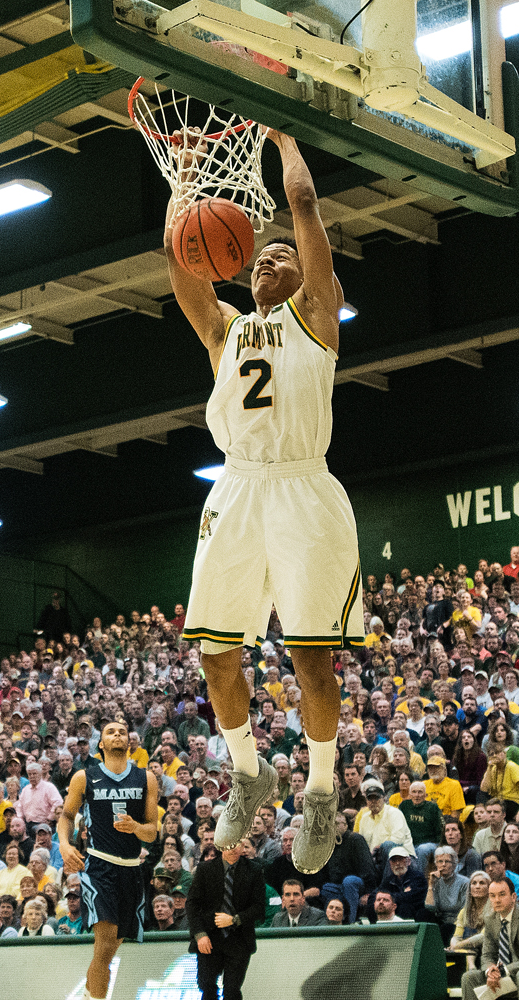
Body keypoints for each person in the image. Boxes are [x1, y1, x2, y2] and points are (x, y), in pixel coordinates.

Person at [167, 127, 358, 877]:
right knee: (215, 655)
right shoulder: (226, 332)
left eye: (281, 256)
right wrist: (186, 184)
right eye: (259, 259)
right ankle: (249, 774)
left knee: (311, 662)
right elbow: (182, 262)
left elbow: (303, 203)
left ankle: (321, 788)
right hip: (238, 486)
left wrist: (283, 139)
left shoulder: (318, 312)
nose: (267, 261)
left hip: (306, 487)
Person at [58, 720, 161, 1000]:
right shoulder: (84, 777)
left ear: (130, 742)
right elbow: (67, 816)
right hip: (99, 866)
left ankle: (88, 996)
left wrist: (136, 827)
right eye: (111, 732)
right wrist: (65, 845)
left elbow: (152, 832)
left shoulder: (146, 778)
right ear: (101, 743)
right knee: (104, 946)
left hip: (131, 869)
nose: (117, 735)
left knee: (110, 949)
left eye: (122, 732)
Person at [188, 842, 266, 1000]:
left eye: (237, 845)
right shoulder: (205, 869)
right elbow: (192, 905)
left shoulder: (254, 870)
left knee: (232, 991)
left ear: (243, 846)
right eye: (229, 845)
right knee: (206, 987)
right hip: (209, 938)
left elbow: (259, 908)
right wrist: (199, 934)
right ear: (221, 845)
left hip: (239, 940)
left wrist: (235, 919)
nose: (233, 849)